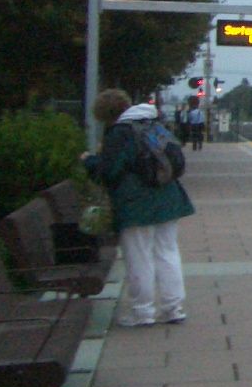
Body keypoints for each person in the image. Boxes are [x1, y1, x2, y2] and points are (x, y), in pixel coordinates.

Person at [83, 90, 195, 327]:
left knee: (138, 255)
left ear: (105, 115)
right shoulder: (153, 125)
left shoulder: (120, 133)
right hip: (168, 197)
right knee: (167, 251)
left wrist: (89, 162)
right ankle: (173, 308)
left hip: (135, 204)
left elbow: (109, 171)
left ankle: (142, 312)